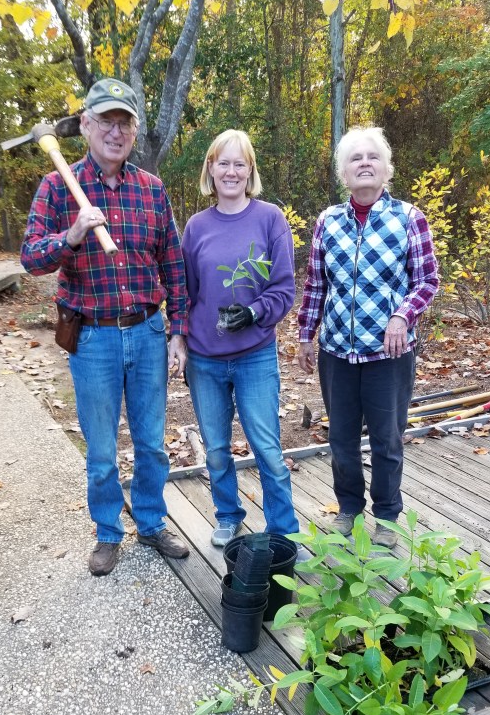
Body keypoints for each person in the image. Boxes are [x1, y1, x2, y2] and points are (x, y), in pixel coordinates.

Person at [20, 77, 189, 576]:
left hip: (146, 331)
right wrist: (71, 235)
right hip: (92, 336)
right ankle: (108, 532)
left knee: (153, 442)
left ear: (134, 131)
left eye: (125, 123)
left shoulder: (151, 190)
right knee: (100, 448)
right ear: (86, 125)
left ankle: (153, 521)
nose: (116, 132)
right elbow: (31, 257)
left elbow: (173, 265)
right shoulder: (57, 186)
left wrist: (177, 330)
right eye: (106, 122)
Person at [297, 126, 439, 548]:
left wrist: (401, 316)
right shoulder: (328, 221)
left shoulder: (409, 219)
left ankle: (388, 516)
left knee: (386, 438)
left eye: (371, 157)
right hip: (336, 351)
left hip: (388, 354)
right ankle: (348, 508)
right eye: (355, 158)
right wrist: (307, 334)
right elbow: (316, 284)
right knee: (340, 437)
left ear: (385, 168)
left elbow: (427, 280)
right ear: (344, 172)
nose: (364, 163)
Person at [182, 129, 299, 547]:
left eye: (239, 163)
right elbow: (186, 293)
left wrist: (253, 312)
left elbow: (284, 289)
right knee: (215, 448)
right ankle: (228, 515)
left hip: (254, 356)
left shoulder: (270, 219)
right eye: (222, 162)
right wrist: (180, 338)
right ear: (210, 169)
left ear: (250, 170)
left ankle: (284, 531)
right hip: (205, 359)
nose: (230, 171)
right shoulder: (196, 227)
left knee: (267, 448)